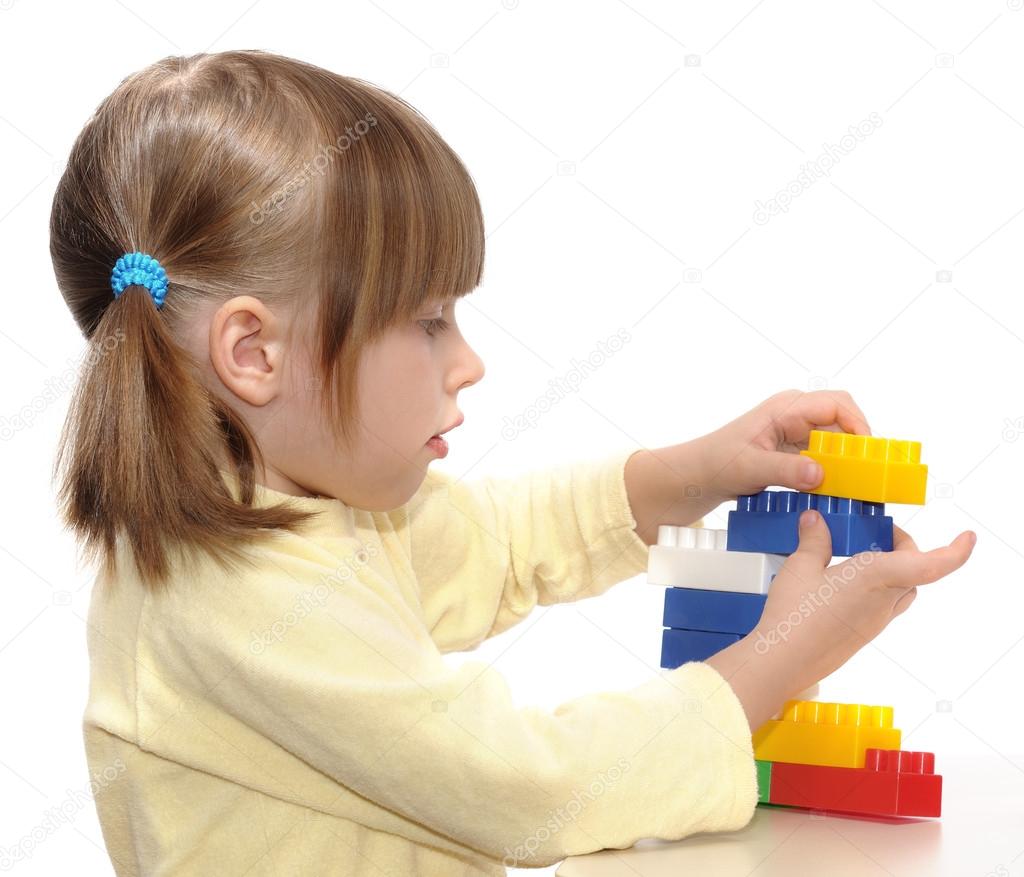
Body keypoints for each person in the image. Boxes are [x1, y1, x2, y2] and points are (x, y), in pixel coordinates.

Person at [50, 49, 976, 876]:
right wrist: (776, 657)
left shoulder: (310, 509)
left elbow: (491, 538)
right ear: (253, 352)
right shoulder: (234, 601)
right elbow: (530, 791)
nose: (469, 360)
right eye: (428, 320)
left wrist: (696, 471)